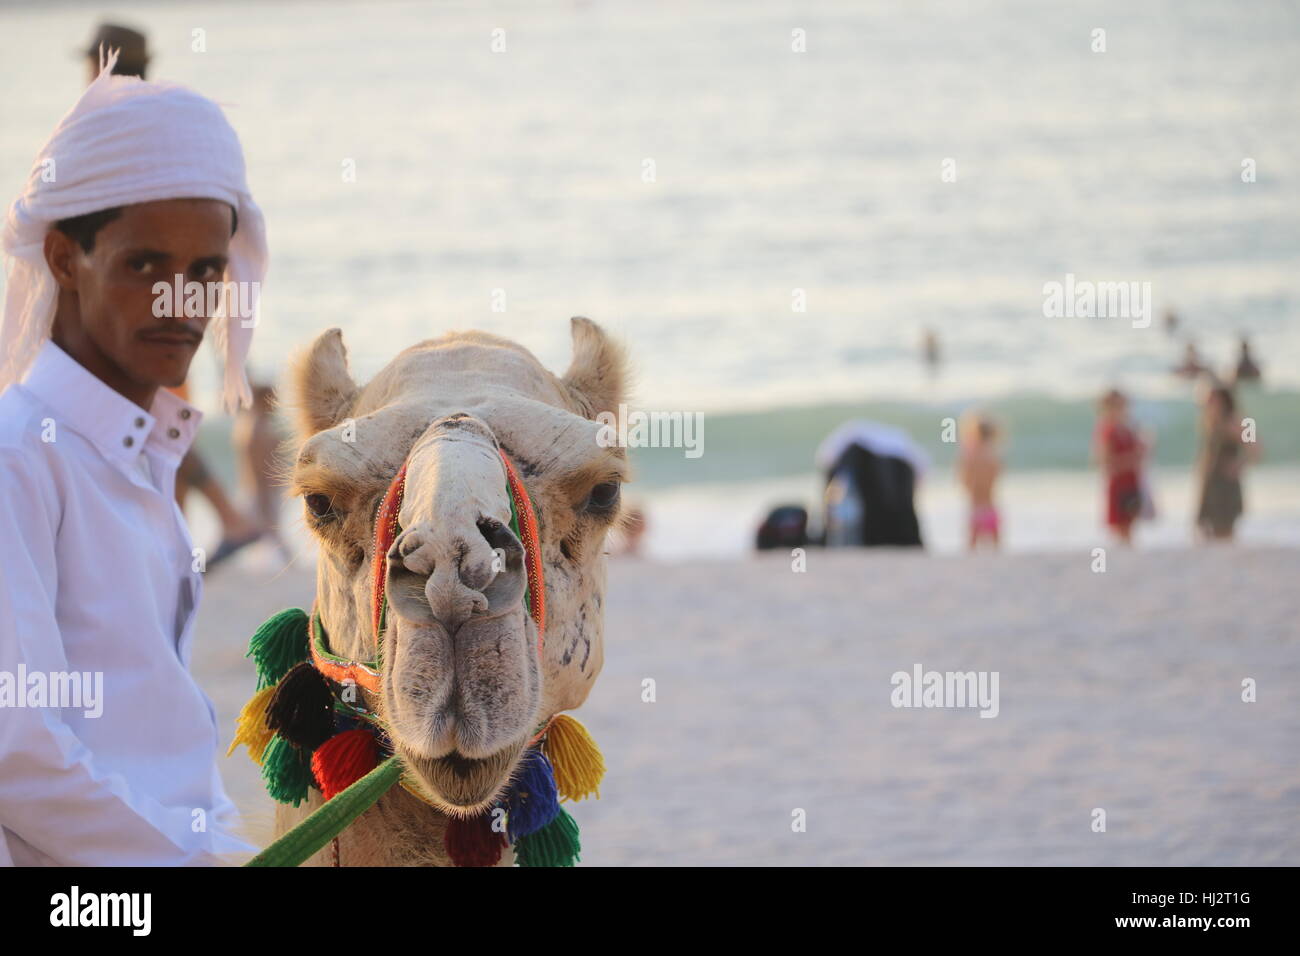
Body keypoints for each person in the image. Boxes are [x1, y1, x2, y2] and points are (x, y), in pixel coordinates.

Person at [0, 48, 267, 864]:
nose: (180, 302)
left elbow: (157, 731)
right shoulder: (20, 457)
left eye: (206, 271)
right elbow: (18, 753)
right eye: (144, 264)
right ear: (63, 259)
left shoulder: (143, 453)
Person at [76, 23, 263, 567]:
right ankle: (182, 539)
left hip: (144, 293)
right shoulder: (167, 120)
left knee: (154, 415)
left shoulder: (107, 123)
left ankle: (215, 522)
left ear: (102, 63)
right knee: (163, 412)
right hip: (189, 286)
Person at [231, 382, 291, 563]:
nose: (275, 403)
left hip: (260, 488)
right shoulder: (256, 428)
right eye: (271, 399)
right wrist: (262, 495)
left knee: (258, 530)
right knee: (266, 528)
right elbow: (257, 466)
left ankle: (281, 559)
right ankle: (287, 560)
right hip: (260, 489)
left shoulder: (253, 424)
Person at [1194, 386, 1258, 541]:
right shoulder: (1211, 421)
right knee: (1207, 532)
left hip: (1225, 485)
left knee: (1224, 532)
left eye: (1211, 399)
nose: (1206, 402)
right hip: (1211, 483)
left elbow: (1255, 448)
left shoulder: (1234, 421)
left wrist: (1239, 465)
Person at [1092, 389, 1147, 545]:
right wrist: (1131, 460)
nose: (1122, 409)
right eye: (1117, 405)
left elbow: (1141, 455)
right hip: (1118, 485)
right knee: (1120, 529)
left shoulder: (1128, 428)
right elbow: (1104, 463)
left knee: (1130, 526)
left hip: (1131, 482)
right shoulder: (1106, 431)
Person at [957, 411, 1002, 550]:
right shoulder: (993, 455)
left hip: (975, 508)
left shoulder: (969, 456)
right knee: (996, 547)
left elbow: (964, 480)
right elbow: (996, 477)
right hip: (991, 507)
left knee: (971, 547)